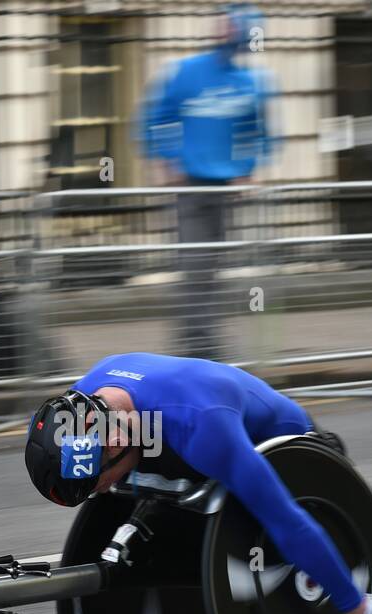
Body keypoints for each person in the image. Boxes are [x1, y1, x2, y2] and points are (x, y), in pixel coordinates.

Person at [24, 353, 372, 614]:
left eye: (96, 483)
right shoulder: (86, 402)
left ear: (116, 442)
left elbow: (286, 521)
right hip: (172, 432)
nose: (100, 492)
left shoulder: (203, 430)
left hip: (285, 446)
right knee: (139, 486)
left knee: (271, 513)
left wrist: (360, 610)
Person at [137, 4, 276, 359]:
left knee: (210, 270)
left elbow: (262, 134)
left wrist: (248, 168)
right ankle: (199, 349)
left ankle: (195, 347)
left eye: (231, 23)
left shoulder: (251, 83)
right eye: (224, 22)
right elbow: (153, 118)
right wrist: (166, 162)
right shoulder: (187, 72)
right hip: (192, 186)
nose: (222, 28)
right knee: (197, 269)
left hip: (224, 188)